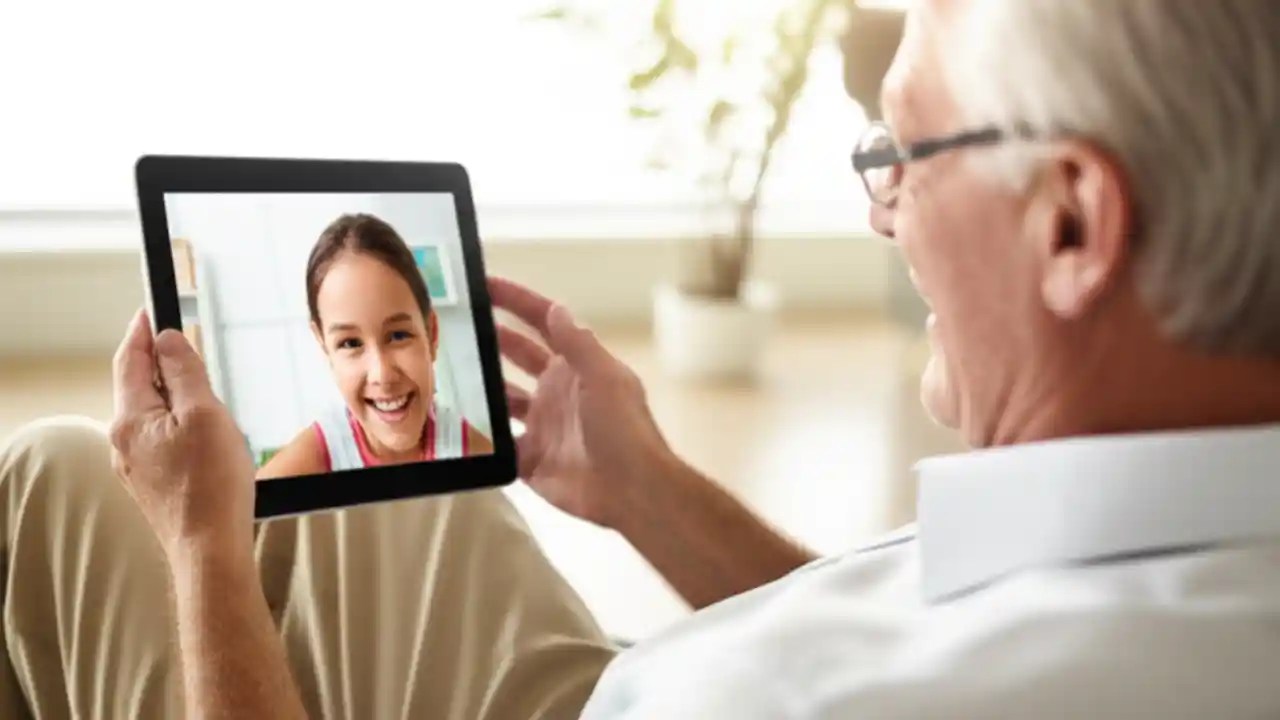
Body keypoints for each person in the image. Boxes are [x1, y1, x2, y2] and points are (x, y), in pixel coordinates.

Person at [3, 0, 1280, 717]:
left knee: (50, 491)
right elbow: (912, 623)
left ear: (1067, 222)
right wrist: (648, 491)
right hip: (638, 685)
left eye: (905, 155)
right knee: (373, 517)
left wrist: (205, 552)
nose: (877, 213)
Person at [259, 213, 493, 480]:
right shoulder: (305, 466)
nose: (382, 374)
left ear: (432, 334)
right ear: (326, 349)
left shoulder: (474, 454)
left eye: (398, 336)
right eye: (350, 343)